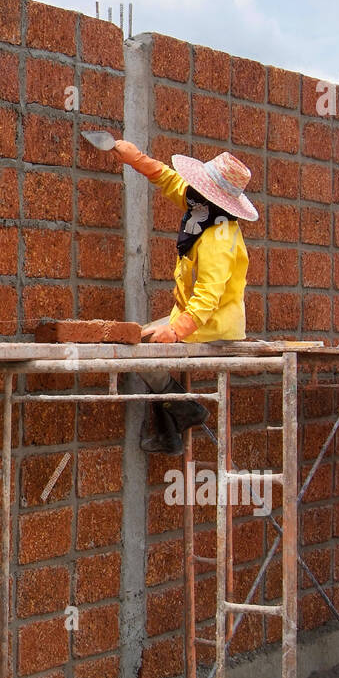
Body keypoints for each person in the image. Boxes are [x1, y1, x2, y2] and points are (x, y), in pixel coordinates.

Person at [112, 141, 259, 453]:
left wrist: (175, 331)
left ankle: (183, 411)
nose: (192, 190)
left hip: (213, 324)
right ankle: (175, 424)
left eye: (200, 187)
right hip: (192, 315)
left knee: (142, 349)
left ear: (213, 198)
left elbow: (208, 298)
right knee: (139, 341)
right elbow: (171, 180)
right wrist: (137, 159)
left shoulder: (217, 237)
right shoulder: (203, 212)